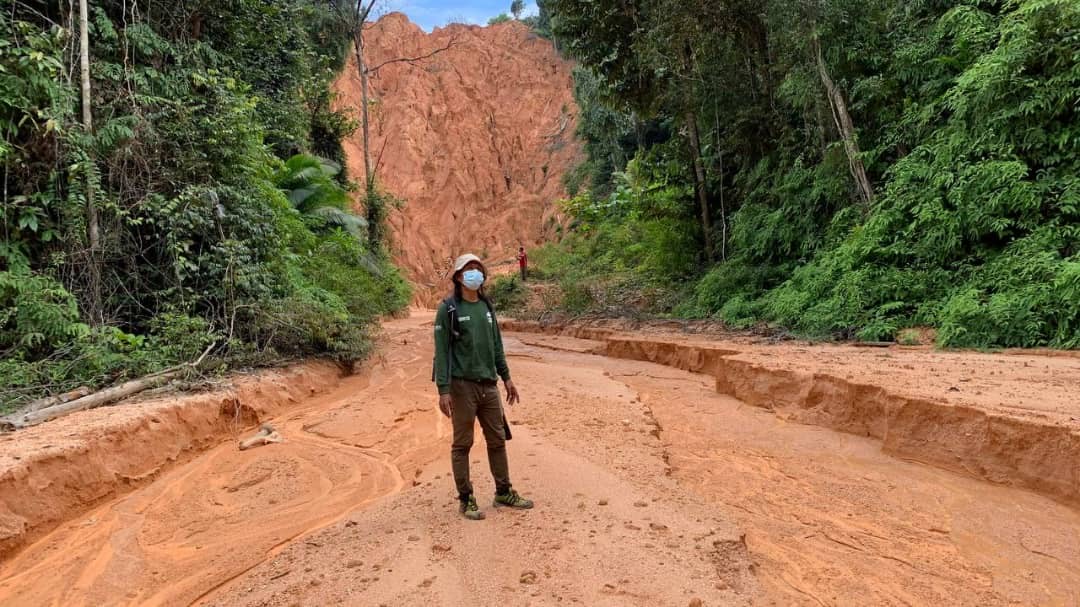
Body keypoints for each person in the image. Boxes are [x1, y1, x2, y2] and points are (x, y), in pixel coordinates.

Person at [433, 253, 534, 520]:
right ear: (458, 276)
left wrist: (507, 377)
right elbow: (441, 353)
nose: (474, 273)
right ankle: (466, 499)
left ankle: (503, 491)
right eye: (469, 269)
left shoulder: (486, 307)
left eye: (478, 268)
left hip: (489, 385)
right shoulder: (448, 310)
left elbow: (496, 346)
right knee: (462, 444)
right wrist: (443, 390)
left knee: (497, 439)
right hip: (462, 387)